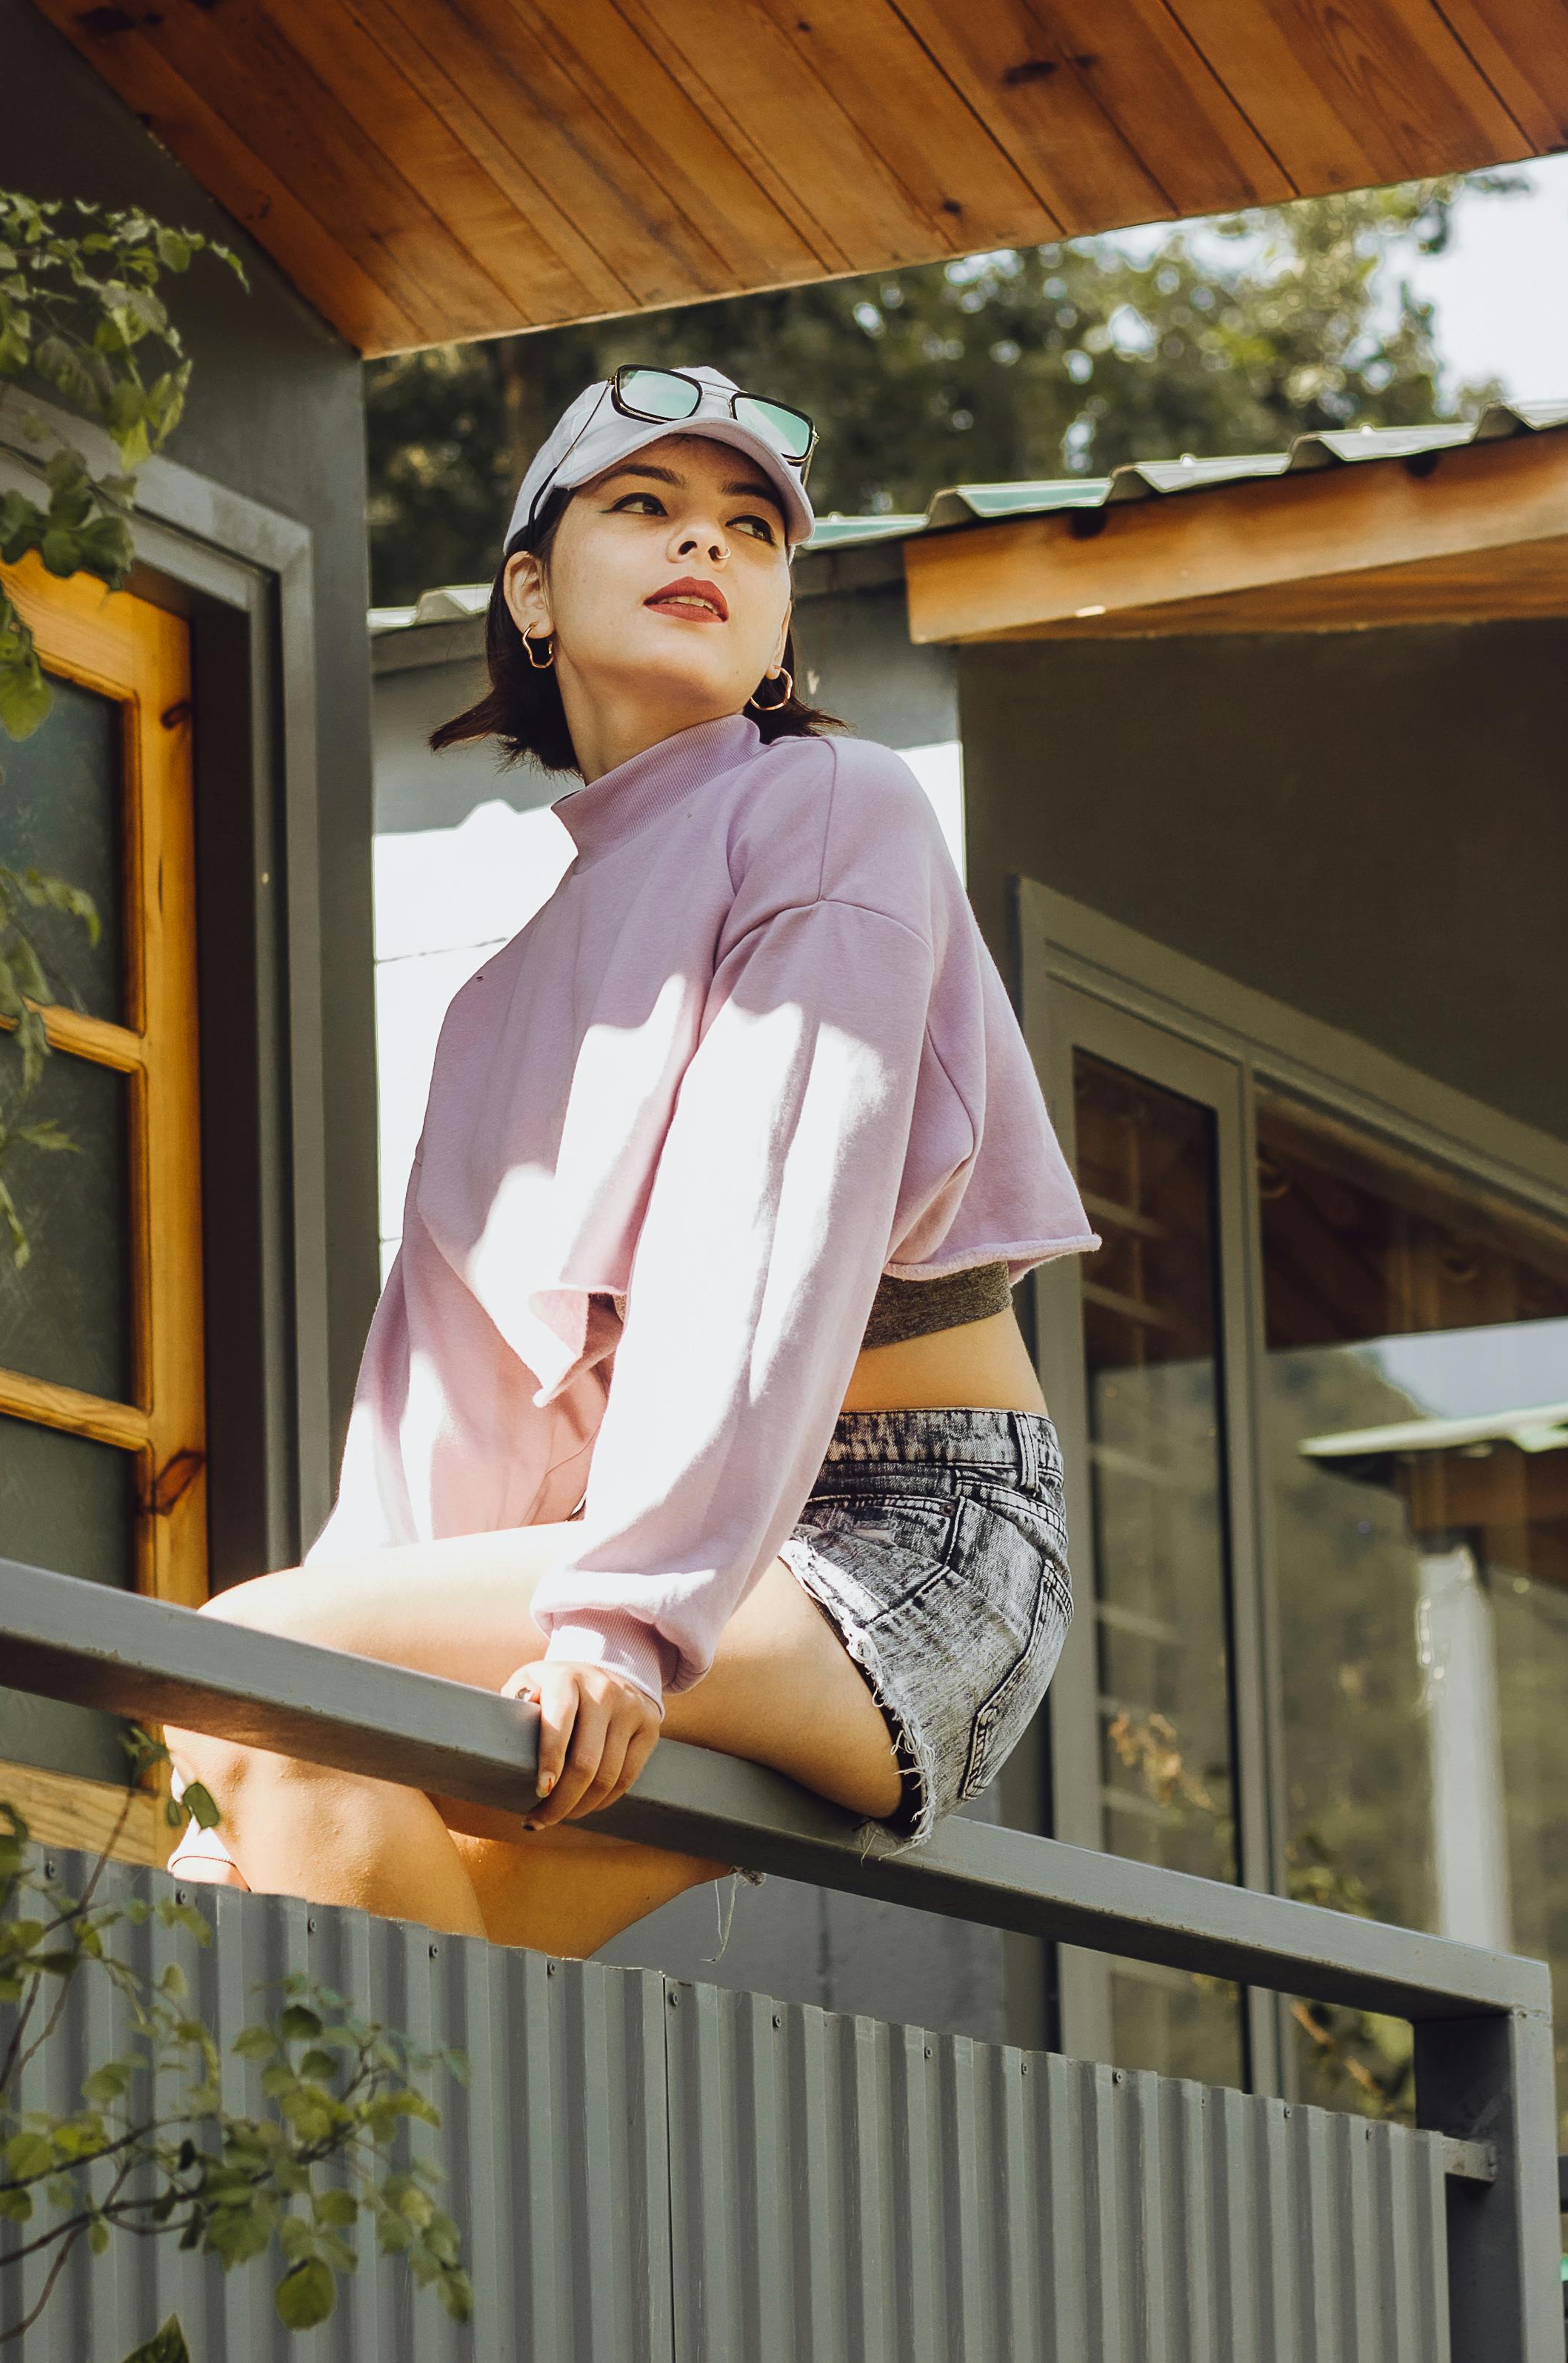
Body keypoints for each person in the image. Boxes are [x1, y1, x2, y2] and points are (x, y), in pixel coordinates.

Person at [164, 366, 1095, 1959]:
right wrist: (233, 1796)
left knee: (258, 1668)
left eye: (753, 528)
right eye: (645, 505)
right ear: (529, 590)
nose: (706, 543)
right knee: (348, 1889)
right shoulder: (497, 1001)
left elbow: (768, 1243)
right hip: (670, 1552)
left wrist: (622, 1618)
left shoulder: (833, 807)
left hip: (908, 1535)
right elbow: (445, 1415)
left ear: (780, 620)